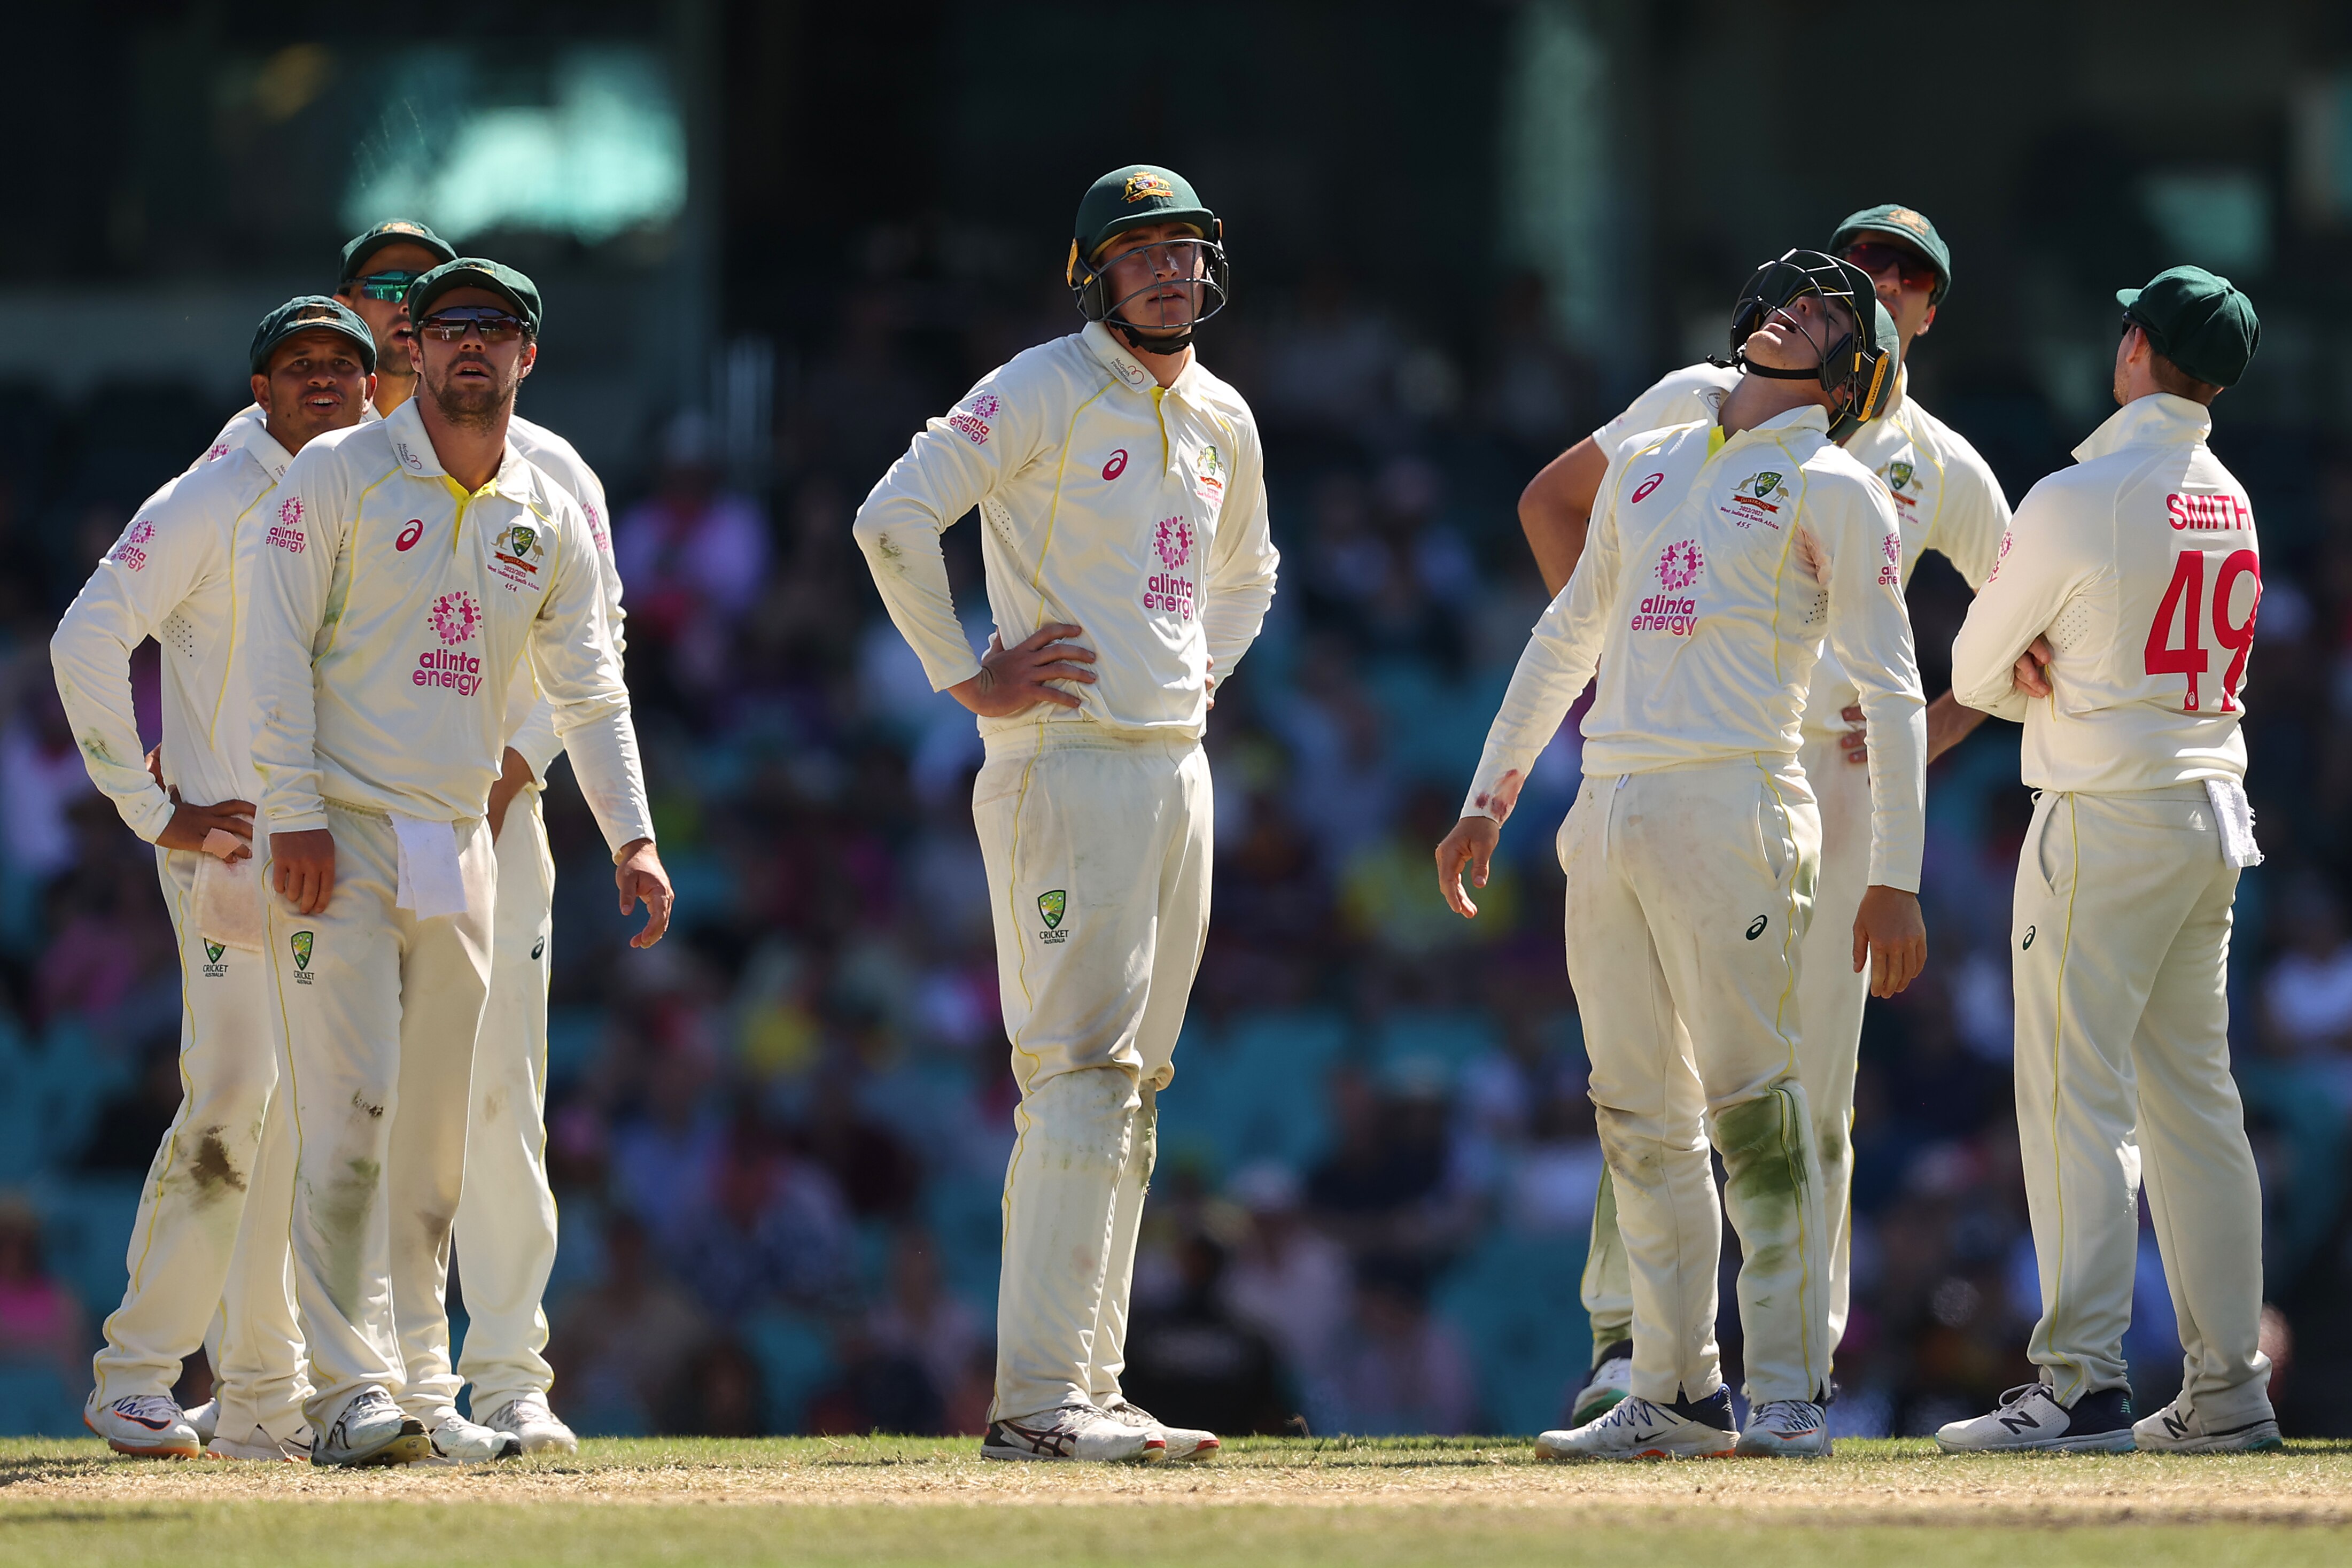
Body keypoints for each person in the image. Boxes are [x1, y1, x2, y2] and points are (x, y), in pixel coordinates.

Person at [1521, 207, 2011, 1426]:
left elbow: (2029, 623)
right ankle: (1629, 1351)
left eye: (1904, 275)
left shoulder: (1929, 458)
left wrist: (1941, 728)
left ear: (1930, 310)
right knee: (1649, 1074)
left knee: (1805, 1089)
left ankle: (1801, 1367)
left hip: (1833, 787)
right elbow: (1551, 507)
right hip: (1687, 768)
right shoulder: (1707, 392)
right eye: (1857, 264)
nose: (1876, 282)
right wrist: (1630, 671)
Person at [1437, 252, 1927, 1461]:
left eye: (1824, 313)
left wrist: (1896, 876)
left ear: (1848, 365)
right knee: (1634, 1113)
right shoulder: (1649, 463)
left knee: (1755, 1109)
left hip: (1738, 804)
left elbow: (1894, 693)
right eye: (1787, 297)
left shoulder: (1835, 487)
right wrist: (1487, 798)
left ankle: (1791, 1394)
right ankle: (1671, 1387)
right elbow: (1565, 636)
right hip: (1607, 803)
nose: (1791, 312)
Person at [853, 164, 1278, 1463]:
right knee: (1077, 1077)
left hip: (1172, 765)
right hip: (1061, 763)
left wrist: (1193, 670)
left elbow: (1248, 571)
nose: (1166, 272)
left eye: (1183, 251)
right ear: (1094, 273)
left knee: (1132, 1088)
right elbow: (892, 518)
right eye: (1137, 253)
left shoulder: (1218, 414)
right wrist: (965, 675)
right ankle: (1040, 1401)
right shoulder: (1040, 384)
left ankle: (1089, 1386)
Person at [192, 219, 624, 1455]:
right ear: (385, 320)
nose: (415, 320)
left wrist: (515, 764)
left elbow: (588, 658)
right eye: (396, 298)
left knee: (484, 1108)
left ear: (521, 349)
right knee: (335, 1105)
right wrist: (288, 809)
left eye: (457, 312)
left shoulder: (552, 472)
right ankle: (308, 1383)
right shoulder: (326, 467)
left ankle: (491, 1381)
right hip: (340, 816)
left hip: (489, 821)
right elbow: (286, 651)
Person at [1936, 267, 2278, 1454]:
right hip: (2207, 816)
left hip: (2103, 813)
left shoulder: (2078, 495)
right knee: (2194, 1107)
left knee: (2075, 1098)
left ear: (2135, 347)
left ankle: (2078, 1381)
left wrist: (2032, 660)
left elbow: (1978, 668)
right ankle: (2229, 1391)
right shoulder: (2226, 494)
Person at [52, 298, 378, 1460]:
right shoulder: (209, 495)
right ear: (260, 390)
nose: (327, 381)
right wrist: (156, 812)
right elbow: (84, 639)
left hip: (323, 853)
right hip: (232, 855)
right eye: (302, 366)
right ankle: (135, 1372)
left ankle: (255, 1397)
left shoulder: (353, 490)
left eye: (347, 364)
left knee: (286, 1114)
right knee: (238, 1089)